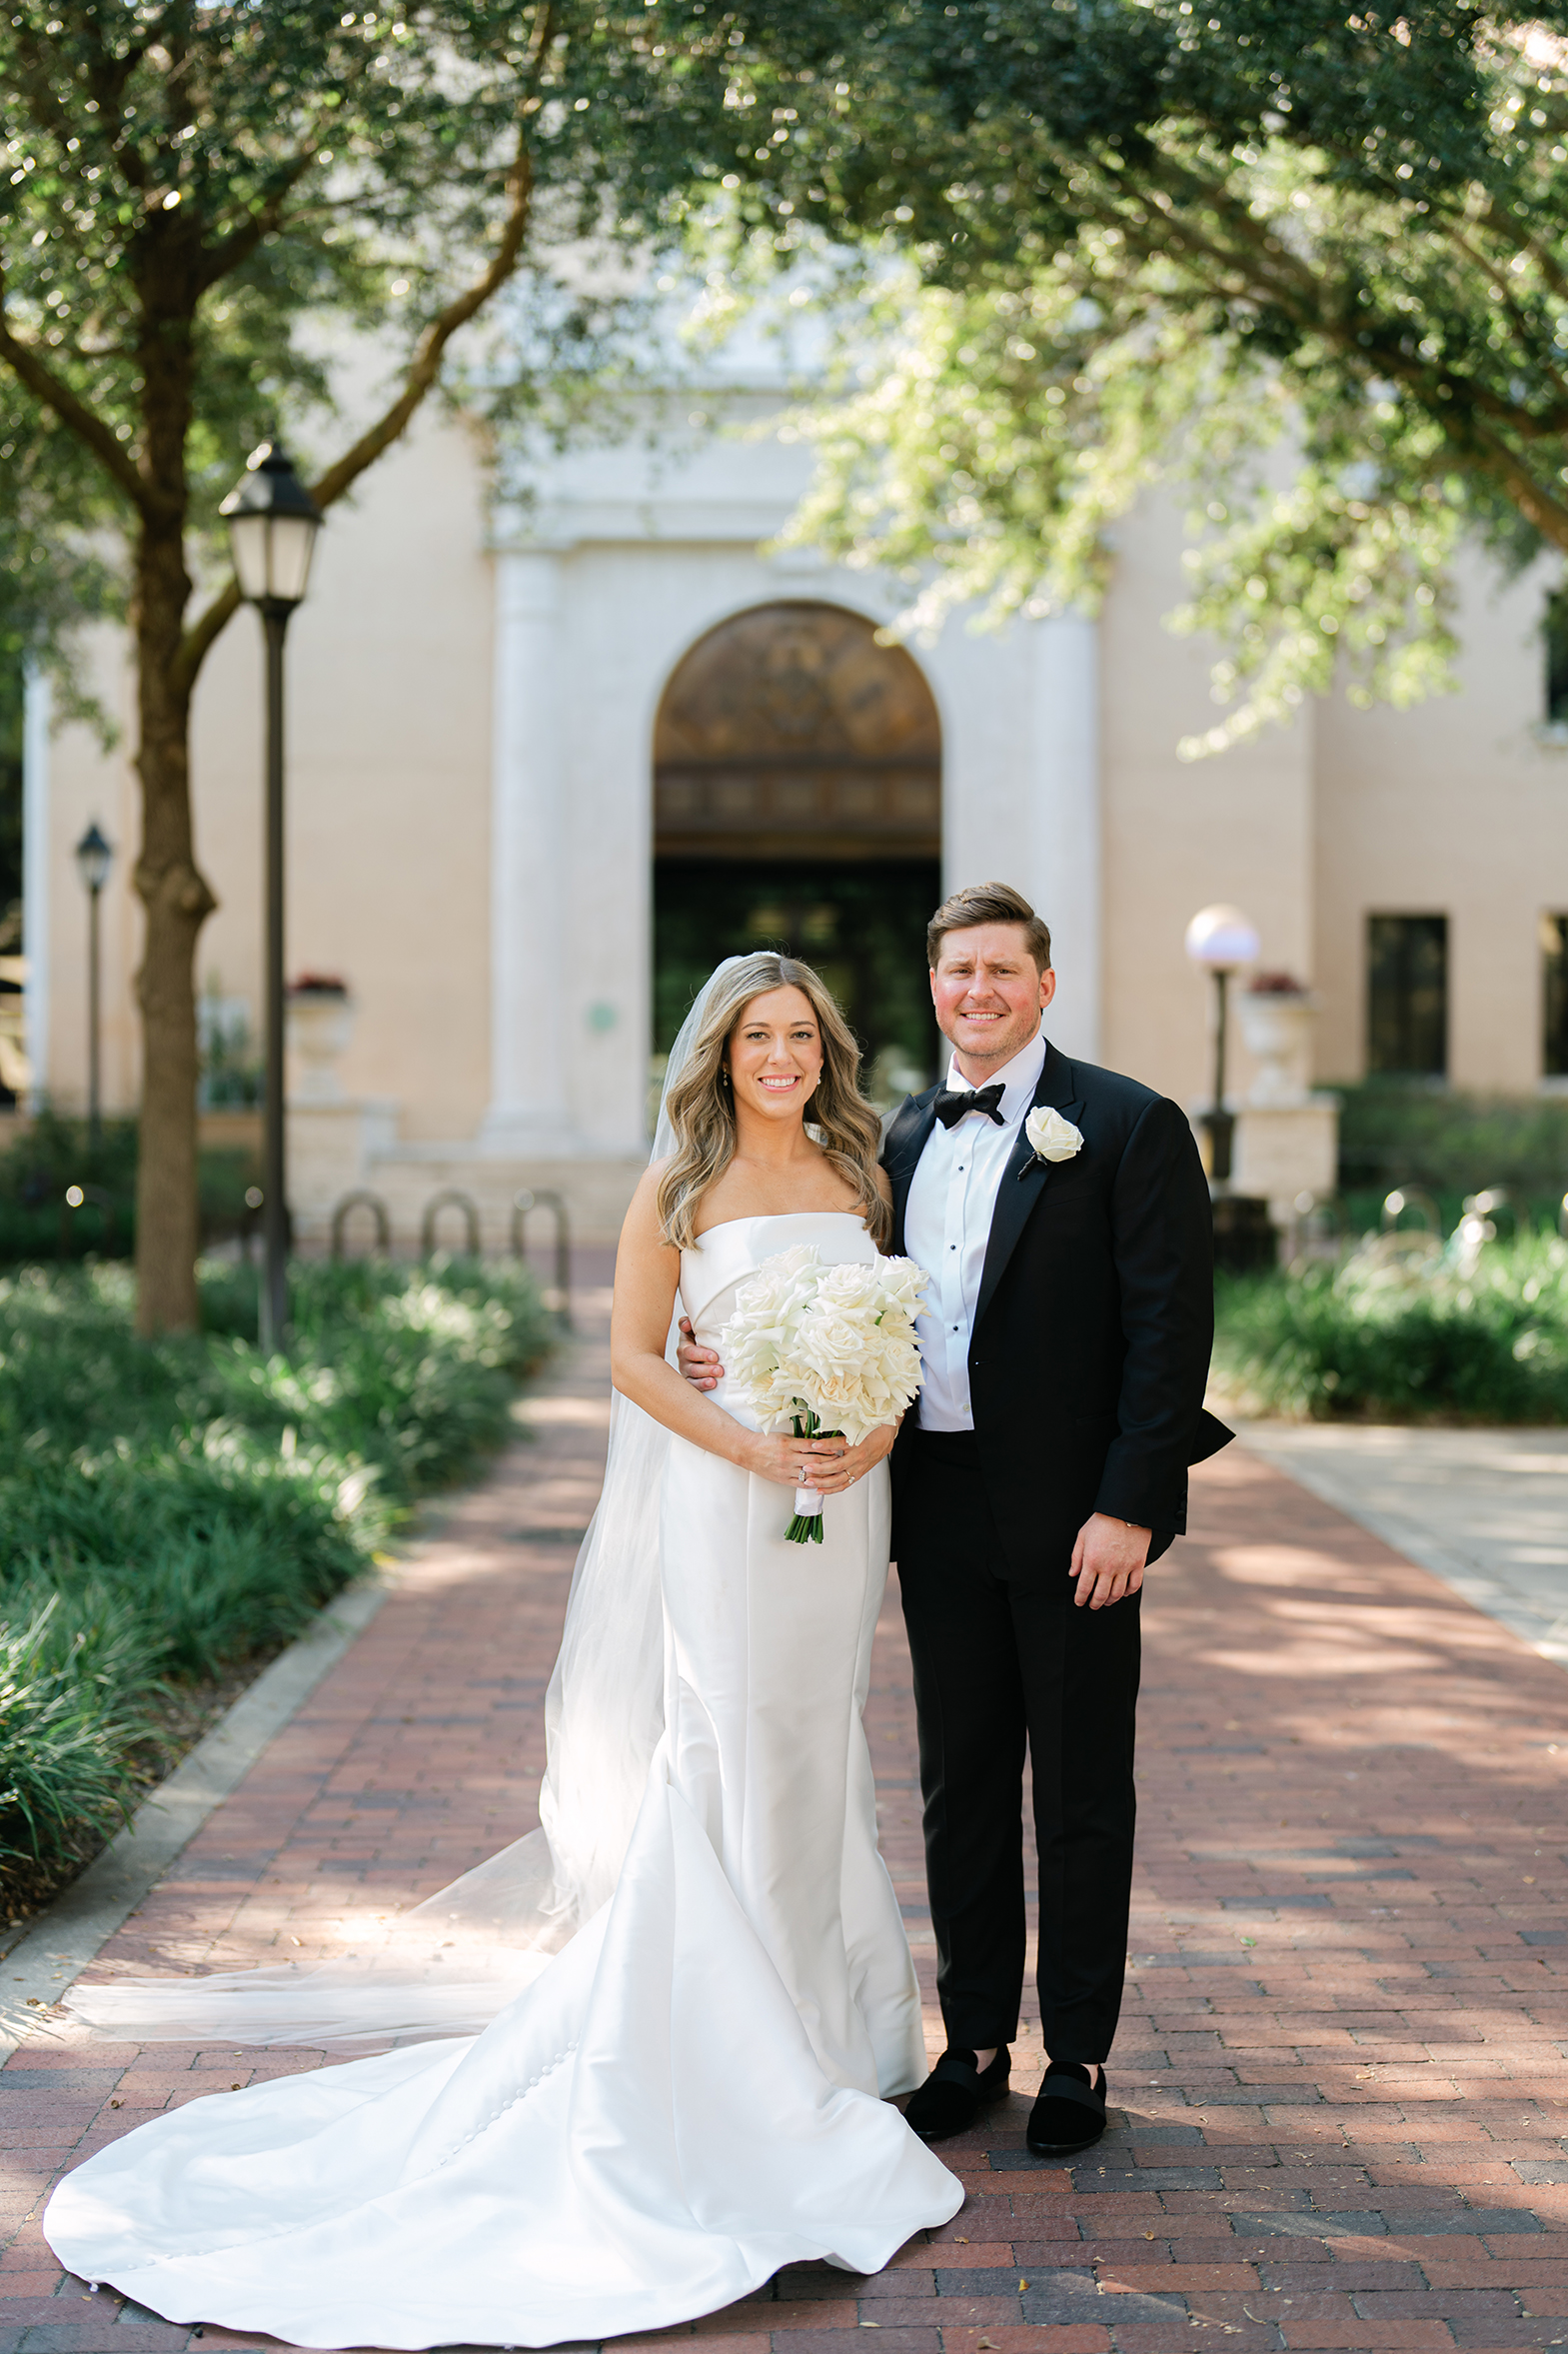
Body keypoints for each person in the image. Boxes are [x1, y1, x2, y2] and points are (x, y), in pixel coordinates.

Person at [44, 953, 961, 2353]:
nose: (780, 1056)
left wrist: (864, 1436)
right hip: (732, 1495)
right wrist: (753, 1444)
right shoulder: (678, 1187)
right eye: (755, 1037)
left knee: (820, 1727)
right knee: (725, 1731)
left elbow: (890, 1346)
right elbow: (635, 1359)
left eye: (799, 1035)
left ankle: (845, 2033)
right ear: (717, 1056)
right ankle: (740, 2047)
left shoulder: (857, 1176)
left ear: (824, 1050)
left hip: (843, 1501)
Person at [681, 884, 1230, 2159]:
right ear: (932, 992)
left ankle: (1076, 2057)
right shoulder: (895, 1139)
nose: (975, 993)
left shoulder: (1129, 1124)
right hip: (925, 1502)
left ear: (1043, 986)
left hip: (1077, 1516)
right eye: (955, 974)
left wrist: (1128, 1506)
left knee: (1082, 1787)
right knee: (958, 1782)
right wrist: (718, 1355)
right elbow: (819, 1286)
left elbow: (1169, 1335)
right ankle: (974, 2043)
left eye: (1000, 972)